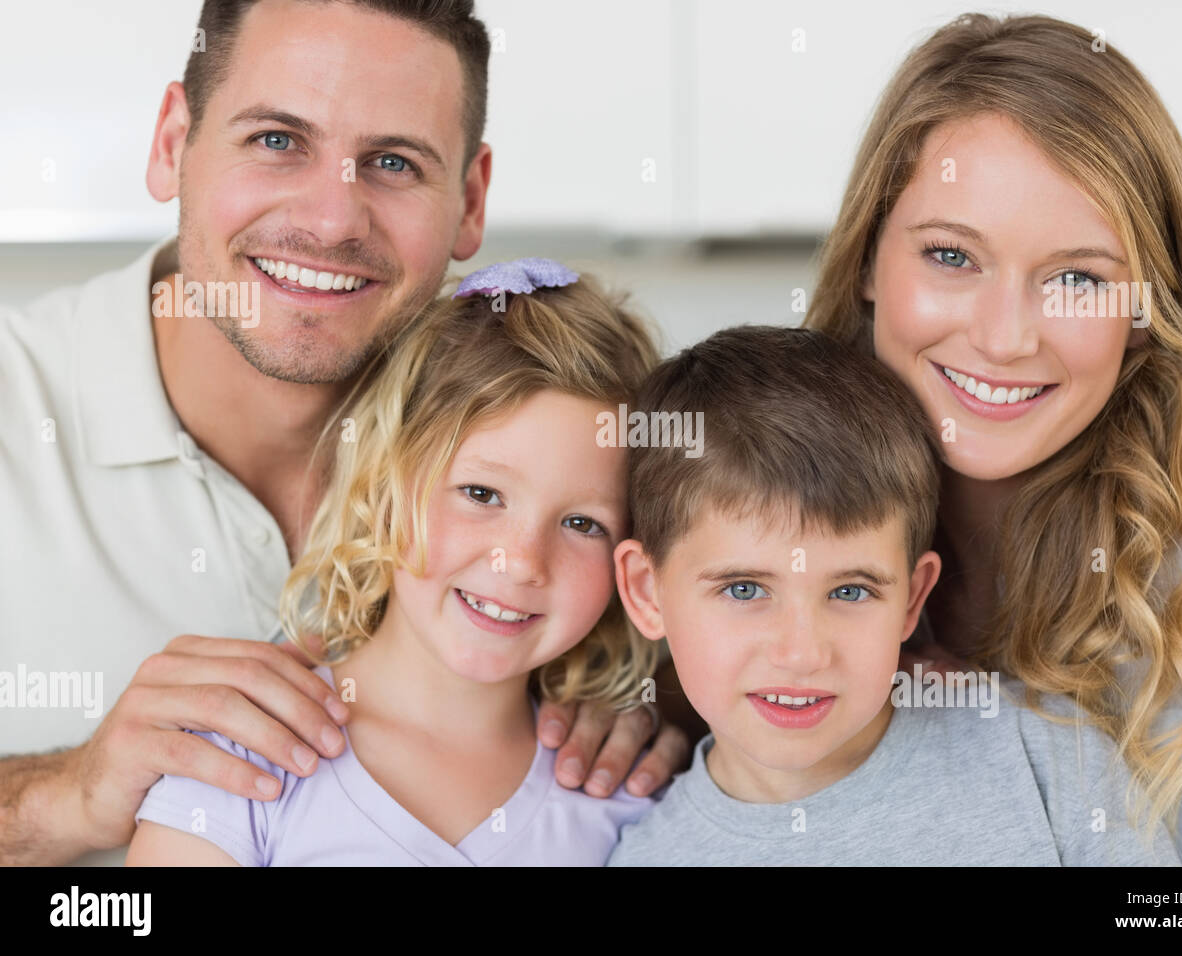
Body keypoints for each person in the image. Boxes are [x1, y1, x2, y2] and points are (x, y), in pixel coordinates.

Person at [0, 0, 683, 867]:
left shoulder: (503, 407)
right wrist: (64, 796)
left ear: (470, 201)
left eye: (394, 162)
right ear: (173, 140)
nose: (331, 222)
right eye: (278, 140)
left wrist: (645, 696)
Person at [803, 12, 1182, 865]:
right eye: (952, 257)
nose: (1004, 338)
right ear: (865, 262)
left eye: (1076, 278)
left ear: (1145, 311)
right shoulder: (765, 502)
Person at [125, 262, 660, 865]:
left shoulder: (627, 802)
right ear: (384, 487)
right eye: (481, 494)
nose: (522, 562)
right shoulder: (241, 757)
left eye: (583, 524)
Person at [607, 325, 1180, 866]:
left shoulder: (1047, 754)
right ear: (646, 591)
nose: (803, 653)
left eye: (851, 591)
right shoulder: (643, 855)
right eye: (745, 589)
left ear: (912, 598)